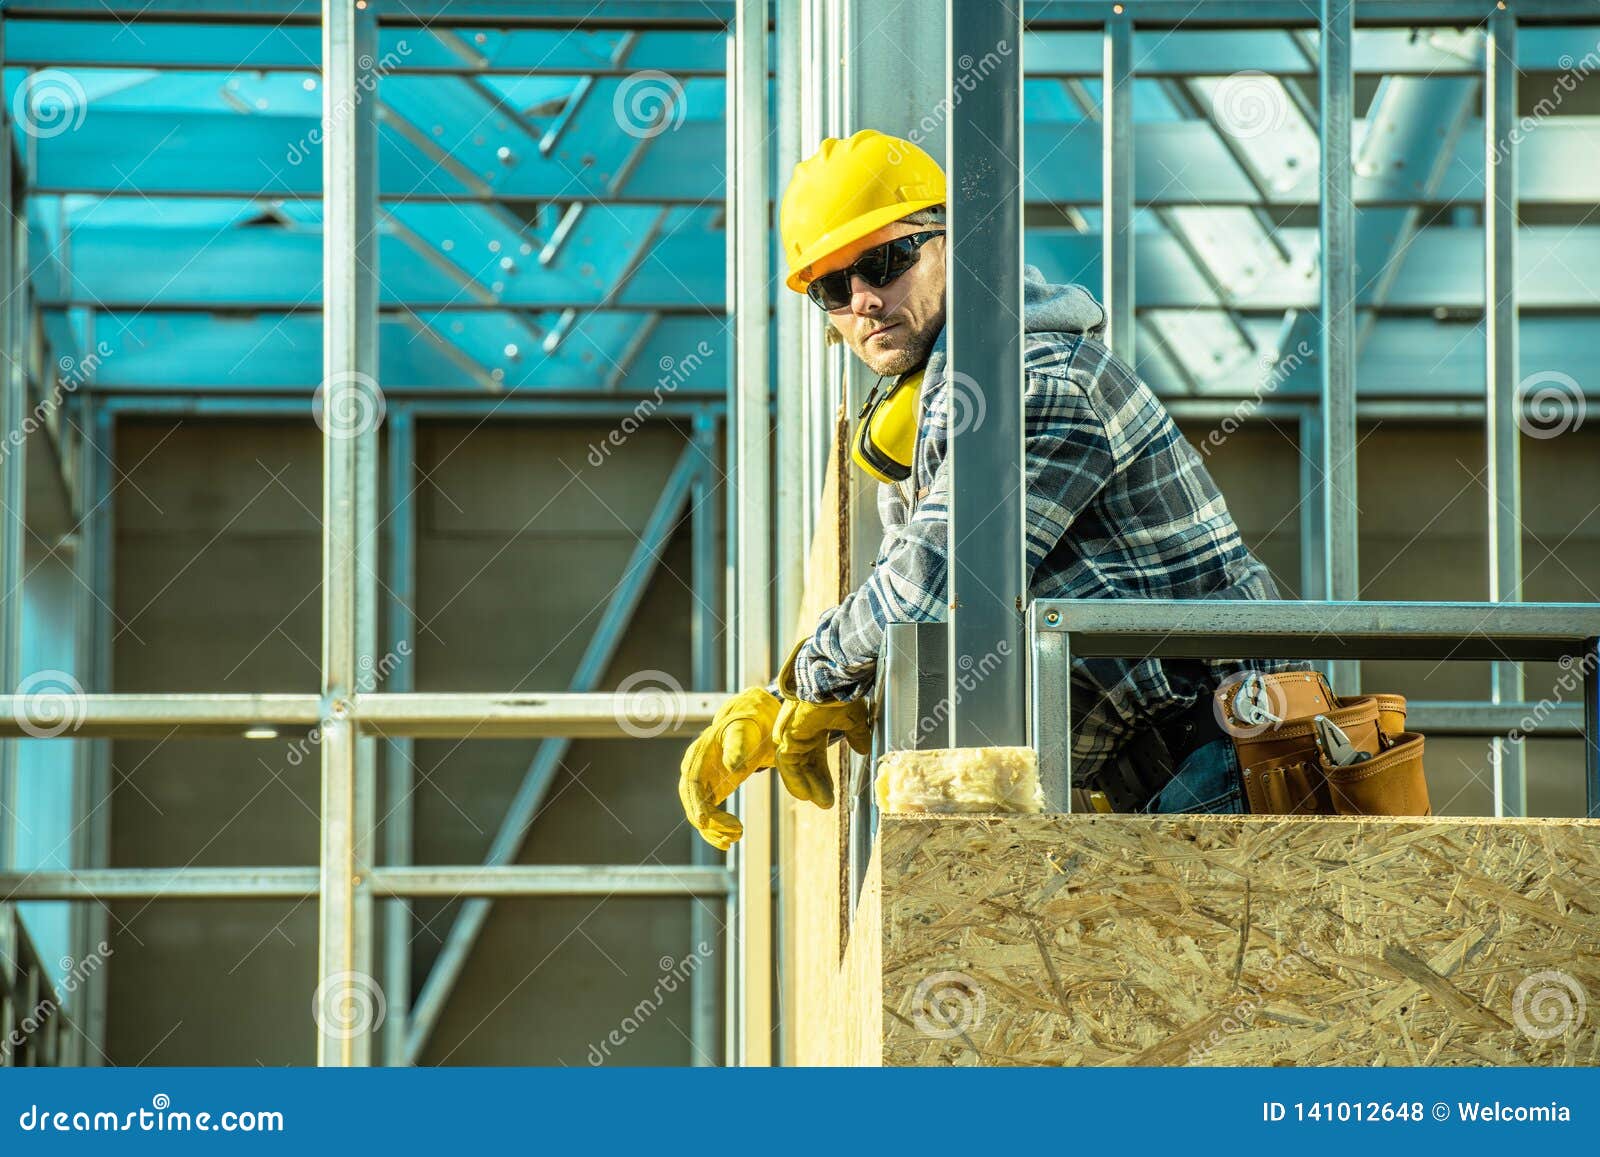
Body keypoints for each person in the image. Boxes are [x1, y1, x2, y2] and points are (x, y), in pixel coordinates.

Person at [678, 129, 1294, 850]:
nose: (864, 301)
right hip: (1169, 778)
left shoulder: (1028, 380)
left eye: (883, 261)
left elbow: (931, 587)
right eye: (831, 288)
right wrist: (850, 686)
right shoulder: (943, 403)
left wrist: (801, 685)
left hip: (1230, 760)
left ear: (955, 242)